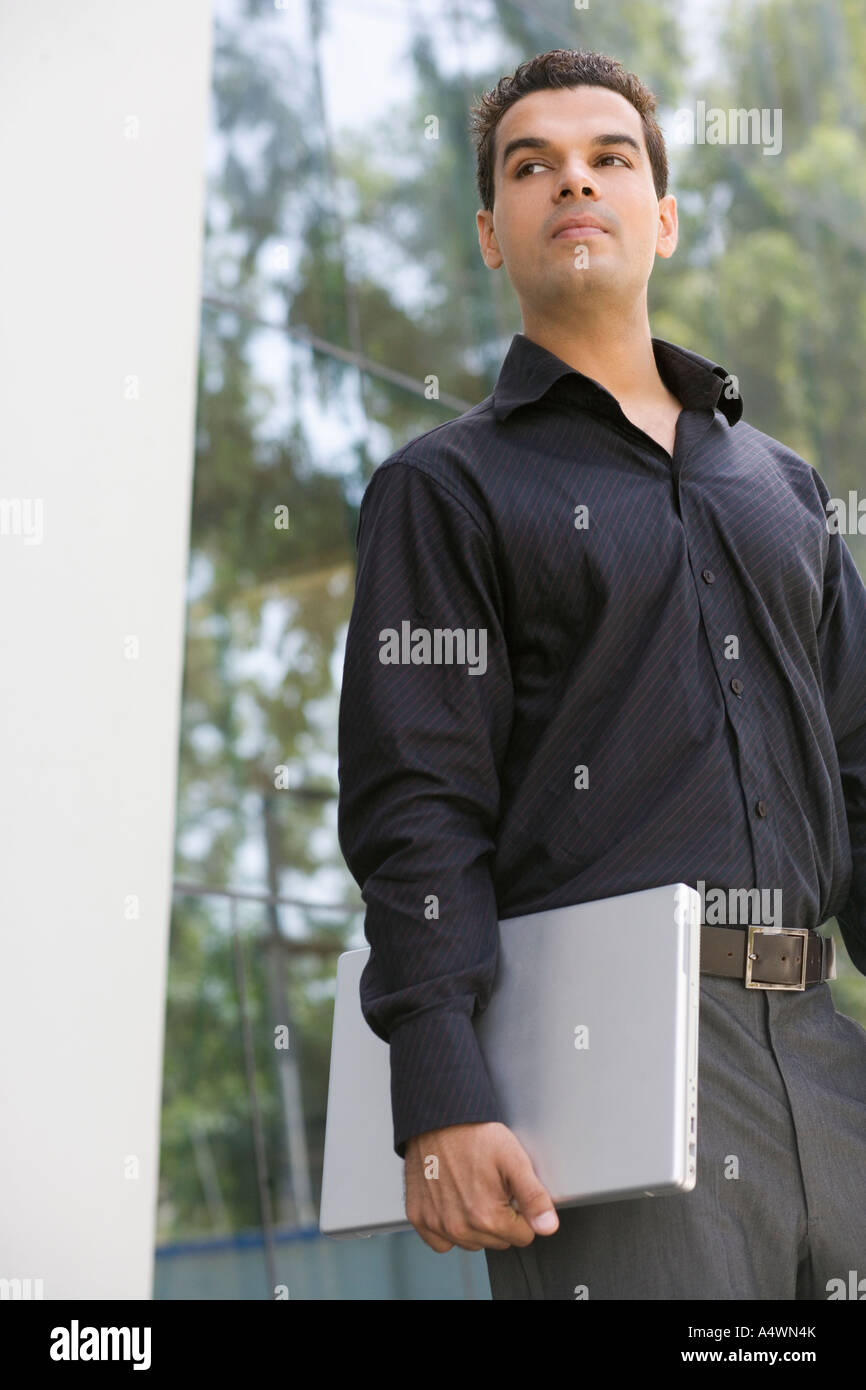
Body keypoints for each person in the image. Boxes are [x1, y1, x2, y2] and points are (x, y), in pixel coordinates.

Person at [336, 48, 866, 1299]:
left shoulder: (782, 486)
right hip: (601, 1079)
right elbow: (417, 802)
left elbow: (857, 764)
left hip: (825, 1055)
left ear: (662, 216)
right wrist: (439, 1083)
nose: (572, 182)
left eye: (607, 158)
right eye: (533, 167)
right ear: (489, 233)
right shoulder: (444, 489)